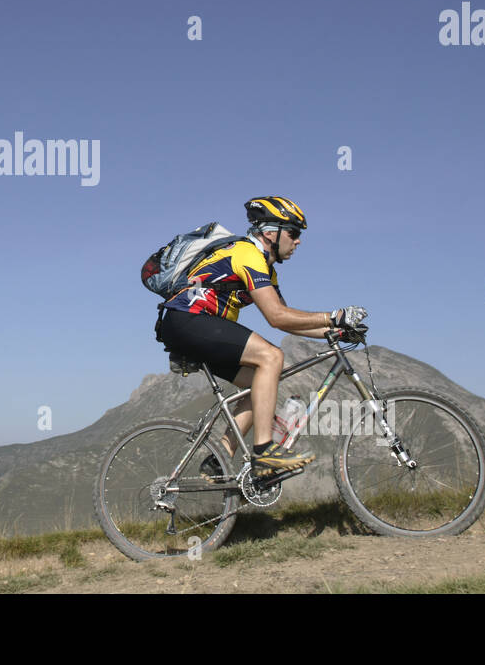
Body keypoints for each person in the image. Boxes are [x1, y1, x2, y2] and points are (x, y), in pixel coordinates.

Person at [154, 196, 367, 480]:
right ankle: (264, 451)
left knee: (261, 383)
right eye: (293, 232)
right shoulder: (247, 254)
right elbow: (276, 316)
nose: (298, 241)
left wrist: (335, 331)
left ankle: (219, 459)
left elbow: (288, 320)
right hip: (188, 319)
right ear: (270, 233)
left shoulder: (267, 268)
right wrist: (334, 316)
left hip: (196, 324)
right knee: (271, 356)